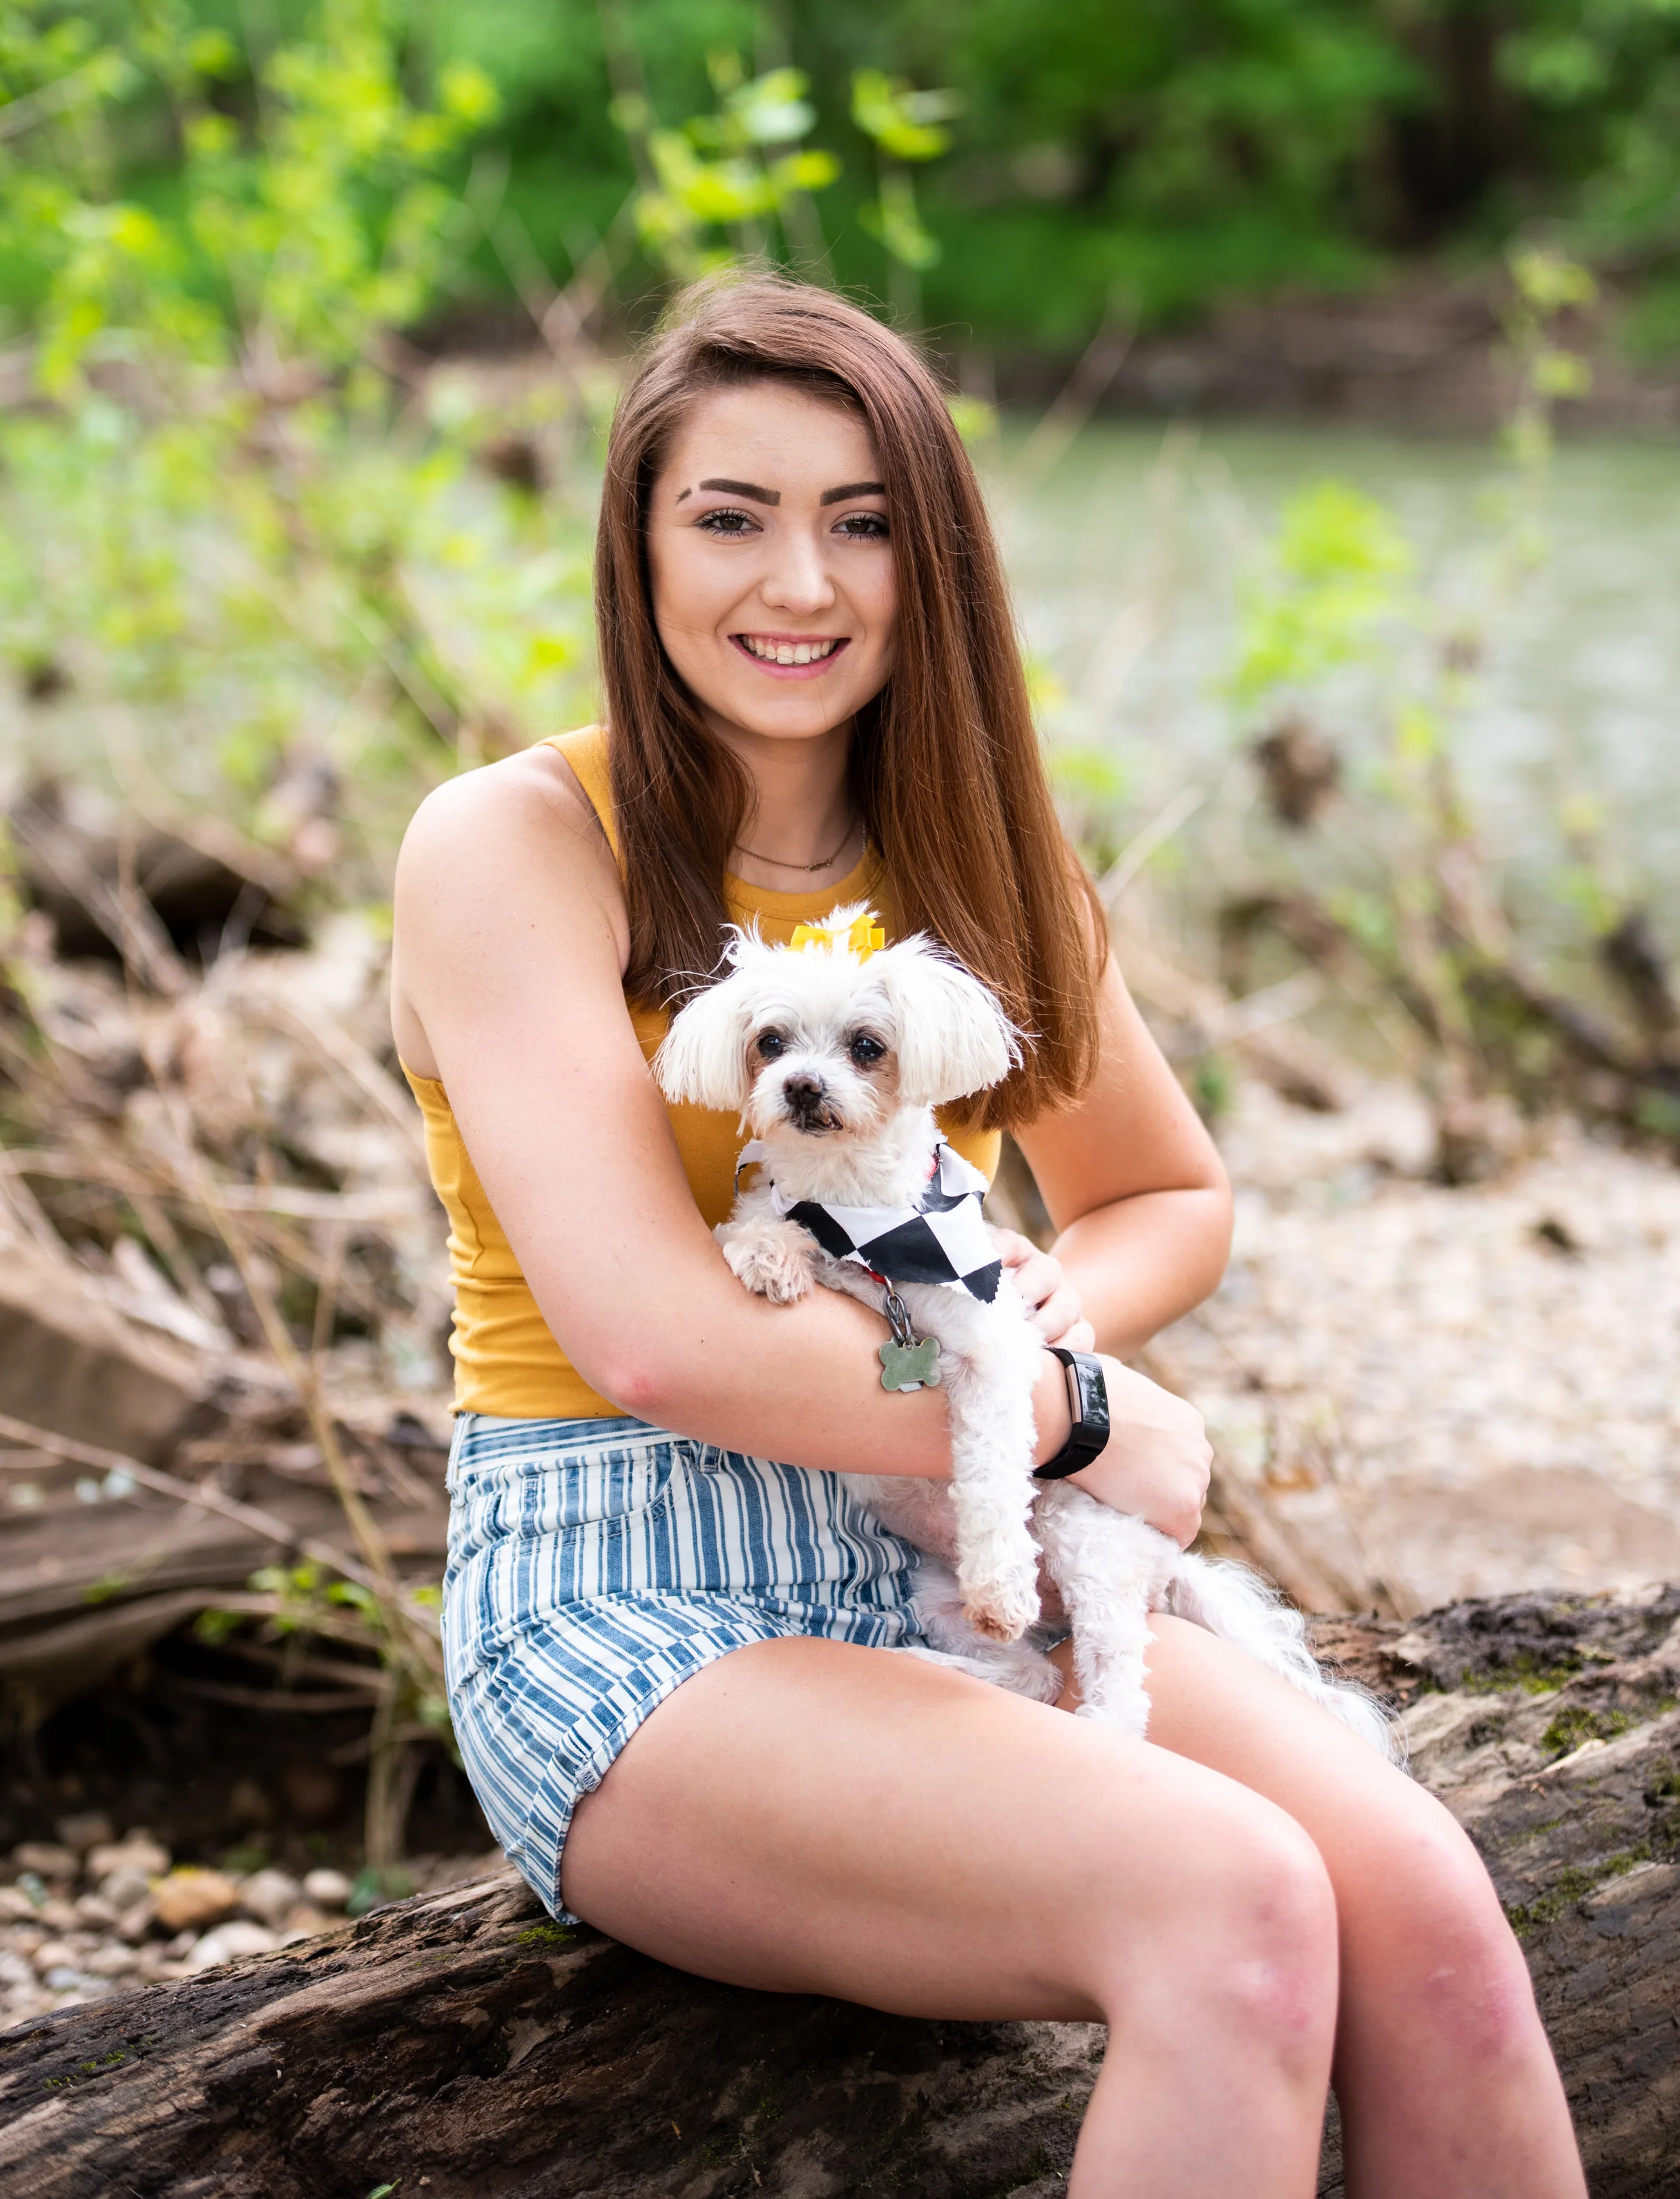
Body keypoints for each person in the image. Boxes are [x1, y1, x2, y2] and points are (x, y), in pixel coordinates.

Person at [391, 272, 1583, 2198]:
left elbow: (1160, 1197)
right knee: (1235, 1903)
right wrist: (1075, 1419)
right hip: (632, 1591)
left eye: (862, 522)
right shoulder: (512, 844)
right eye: (732, 516)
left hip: (959, 1552)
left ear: (930, 559)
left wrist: (1046, 1344)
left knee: (1428, 1917)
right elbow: (653, 1342)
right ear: (637, 544)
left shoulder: (971, 838)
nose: (800, 582)